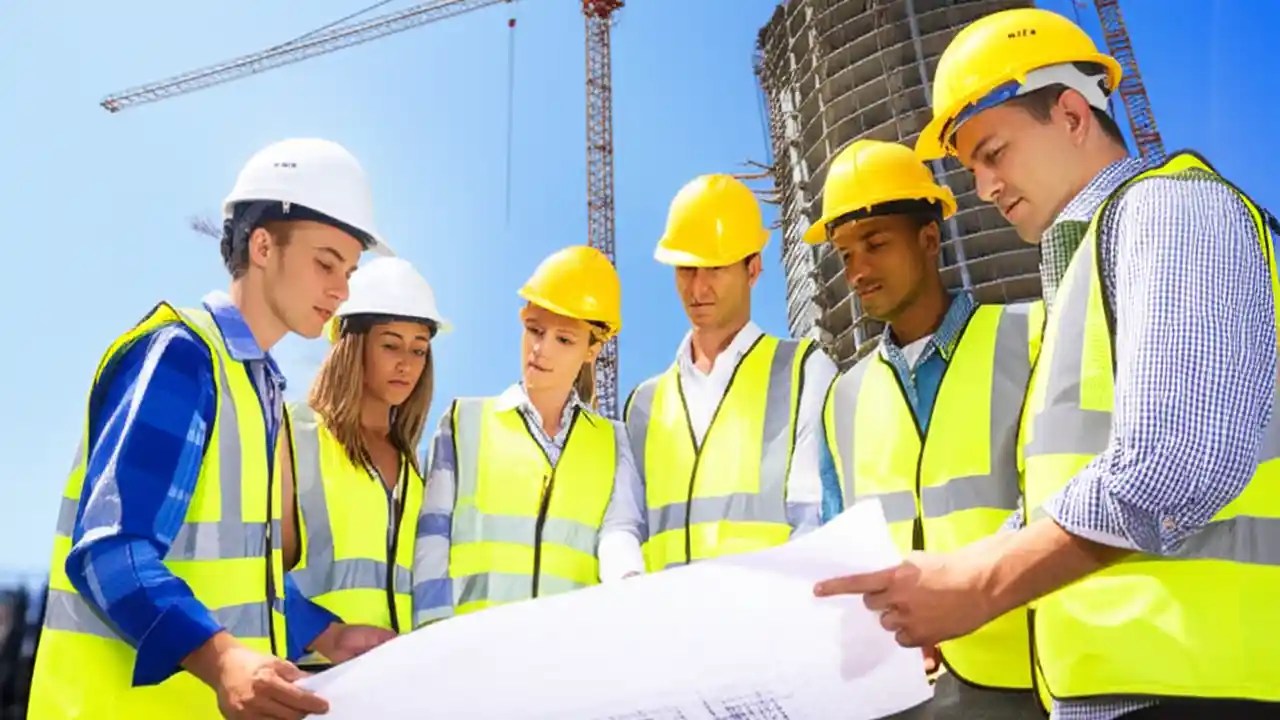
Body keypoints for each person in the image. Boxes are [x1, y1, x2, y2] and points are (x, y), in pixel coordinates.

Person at [814, 8, 1280, 719]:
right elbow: (1058, 503)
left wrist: (977, 580)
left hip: (1208, 683)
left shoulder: (1170, 211)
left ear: (1070, 114)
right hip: (1113, 690)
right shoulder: (1079, 280)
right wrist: (935, 588)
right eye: (971, 167)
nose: (984, 186)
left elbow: (1175, 463)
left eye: (993, 152)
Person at [28, 137, 396, 719]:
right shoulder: (183, 356)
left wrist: (325, 633)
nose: (343, 290)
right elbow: (111, 552)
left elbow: (239, 571)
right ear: (263, 245)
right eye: (327, 262)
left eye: (349, 271)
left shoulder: (260, 389)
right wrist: (221, 659)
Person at [809, 139, 1044, 719]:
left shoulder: (1032, 337)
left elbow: (1066, 501)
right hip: (898, 689)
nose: (857, 271)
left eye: (876, 244)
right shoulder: (844, 397)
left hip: (1023, 676)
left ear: (930, 238)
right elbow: (844, 552)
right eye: (844, 255)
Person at [412, 245, 646, 626]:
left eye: (564, 340)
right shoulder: (462, 423)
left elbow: (618, 536)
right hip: (473, 651)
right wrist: (432, 634)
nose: (541, 349)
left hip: (568, 656)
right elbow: (432, 543)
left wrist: (632, 592)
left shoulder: (611, 441)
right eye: (535, 330)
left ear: (592, 350)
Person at [624, 174, 837, 572]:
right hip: (663, 628)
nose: (697, 288)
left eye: (715, 268)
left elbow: (814, 522)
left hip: (765, 626)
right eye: (686, 268)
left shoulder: (805, 372)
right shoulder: (643, 405)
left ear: (753, 269)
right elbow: (626, 526)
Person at [284, 256, 450, 670]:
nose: (407, 364)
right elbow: (249, 565)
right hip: (308, 679)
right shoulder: (294, 435)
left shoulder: (419, 473)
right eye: (390, 344)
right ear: (351, 345)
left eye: (419, 349)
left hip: (397, 685)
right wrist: (319, 631)